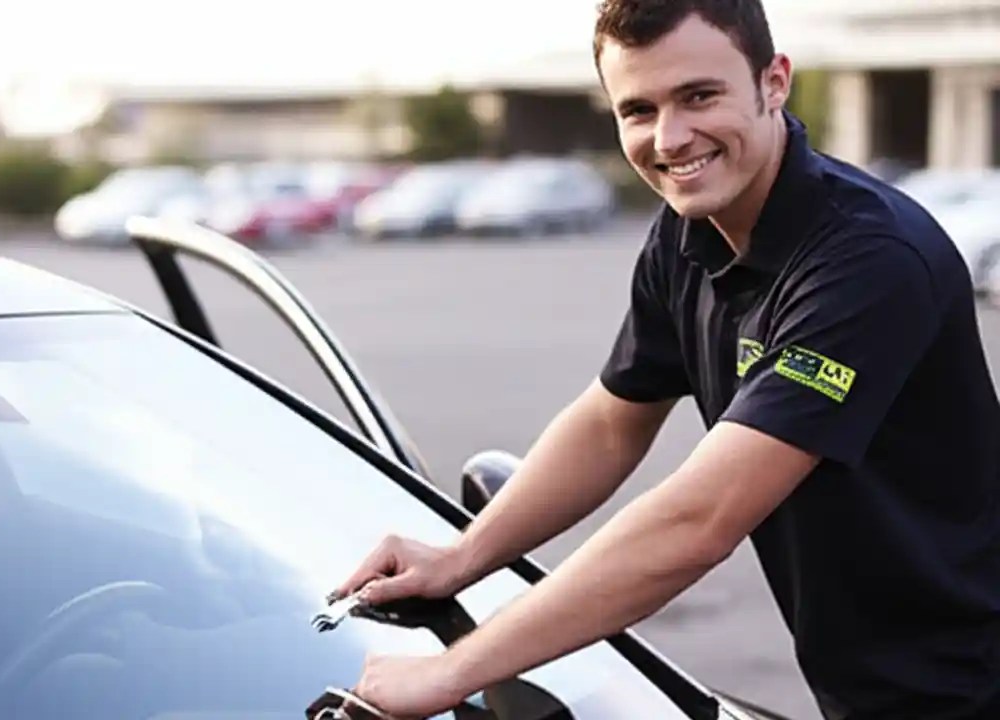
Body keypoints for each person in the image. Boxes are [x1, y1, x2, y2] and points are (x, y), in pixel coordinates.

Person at [329, 1, 1000, 718]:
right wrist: (461, 558)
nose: (670, 139)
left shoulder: (867, 262)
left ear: (774, 83)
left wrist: (450, 673)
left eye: (699, 97)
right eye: (638, 110)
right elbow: (612, 422)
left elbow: (697, 521)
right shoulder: (688, 233)